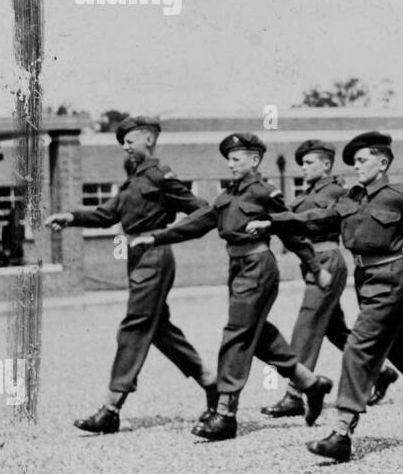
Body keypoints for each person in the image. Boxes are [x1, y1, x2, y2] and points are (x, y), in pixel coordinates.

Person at [257, 132, 403, 462]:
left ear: (382, 162)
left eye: (361, 161)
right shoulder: (353, 197)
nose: (356, 167)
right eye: (354, 162)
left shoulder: (396, 196)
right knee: (402, 346)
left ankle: (342, 431)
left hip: (389, 278)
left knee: (359, 346)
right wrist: (273, 221)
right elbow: (317, 216)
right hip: (364, 279)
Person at [130, 133, 333, 442]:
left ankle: (226, 413)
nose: (230, 163)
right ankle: (311, 383)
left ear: (254, 160)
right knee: (259, 334)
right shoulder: (226, 197)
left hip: (258, 267)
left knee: (236, 333)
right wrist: (156, 238)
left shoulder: (265, 193)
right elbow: (196, 223)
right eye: (229, 158)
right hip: (237, 268)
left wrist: (316, 268)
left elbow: (291, 231)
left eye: (237, 158)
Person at [46, 115, 218, 434]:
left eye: (130, 139)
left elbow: (203, 209)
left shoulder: (160, 176)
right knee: (158, 329)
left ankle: (111, 408)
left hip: (154, 255)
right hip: (138, 257)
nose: (124, 145)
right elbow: (105, 214)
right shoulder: (133, 181)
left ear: (149, 139)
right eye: (122, 141)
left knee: (135, 326)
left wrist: (164, 235)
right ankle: (212, 382)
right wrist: (69, 216)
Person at [260, 140, 399, 419]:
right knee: (334, 330)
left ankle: (295, 393)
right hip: (311, 263)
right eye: (302, 163)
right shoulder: (302, 196)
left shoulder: (339, 191)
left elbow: (326, 219)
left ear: (326, 164)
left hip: (327, 261)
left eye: (310, 162)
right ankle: (381, 371)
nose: (304, 167)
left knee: (307, 323)